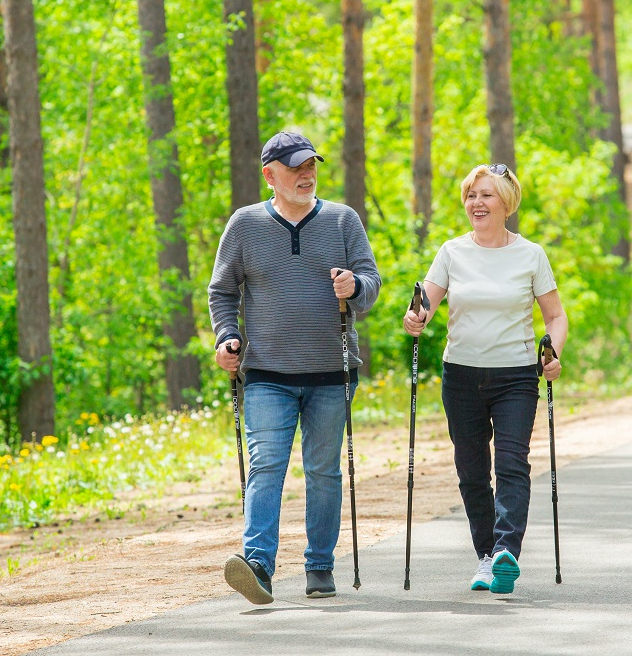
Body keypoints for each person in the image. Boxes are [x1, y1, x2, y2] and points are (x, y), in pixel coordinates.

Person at [209, 131, 381, 604]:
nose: (307, 174)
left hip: (332, 370)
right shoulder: (244, 225)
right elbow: (222, 291)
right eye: (295, 167)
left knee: (323, 470)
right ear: (270, 175)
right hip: (266, 372)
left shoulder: (343, 220)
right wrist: (227, 337)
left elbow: (372, 282)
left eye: (311, 166)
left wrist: (355, 287)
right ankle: (258, 565)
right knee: (266, 466)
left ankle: (320, 564)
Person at [403, 163, 567, 594]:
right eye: (472, 195)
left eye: (486, 195)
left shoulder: (530, 254)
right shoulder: (451, 251)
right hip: (460, 376)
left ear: (506, 204)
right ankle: (485, 554)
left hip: (515, 376)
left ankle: (505, 551)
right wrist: (415, 318)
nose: (477, 203)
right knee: (472, 471)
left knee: (512, 462)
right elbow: (426, 305)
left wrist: (555, 353)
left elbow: (555, 315)